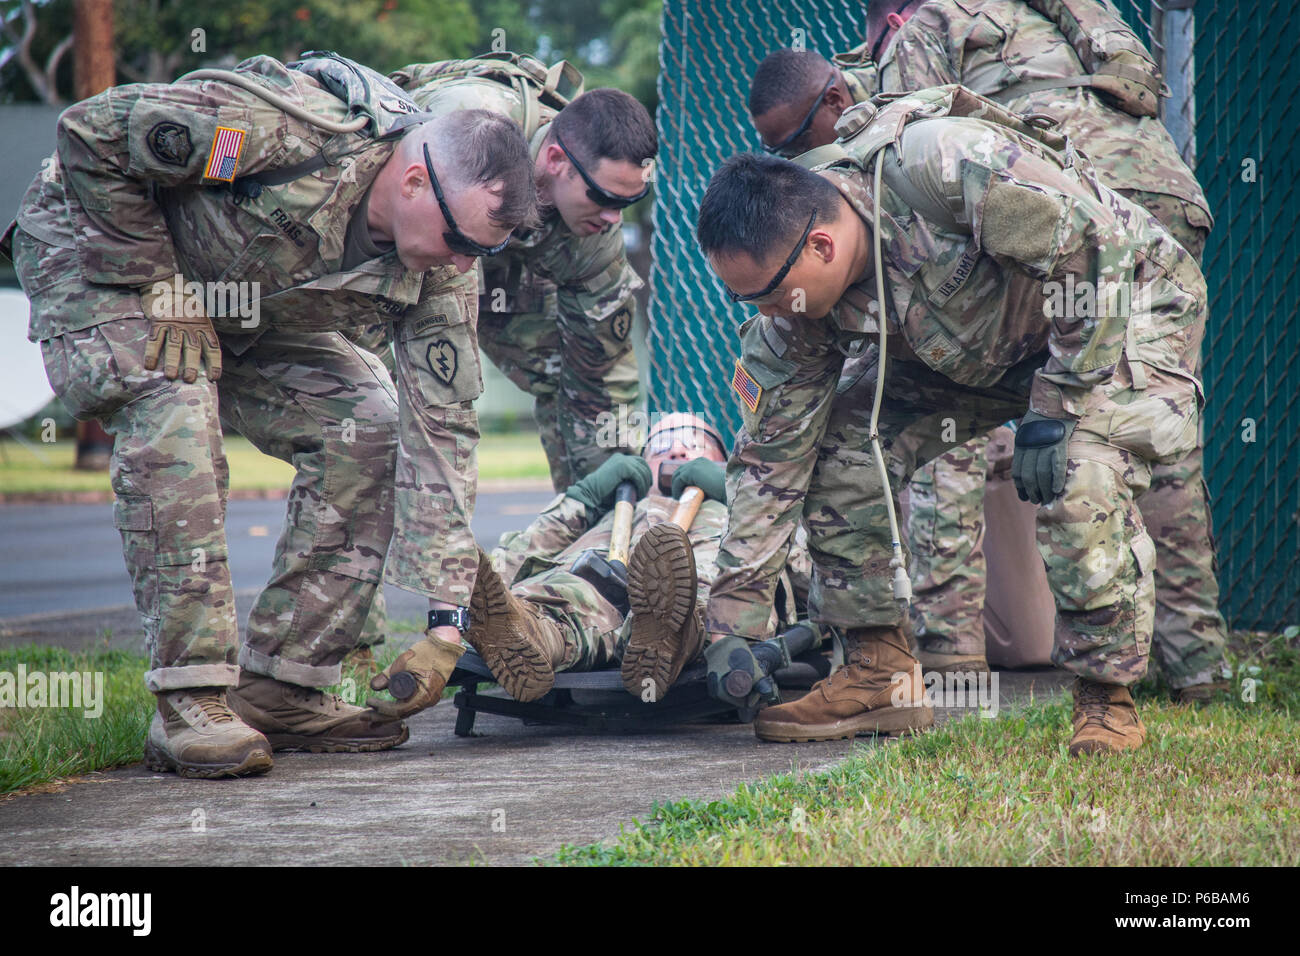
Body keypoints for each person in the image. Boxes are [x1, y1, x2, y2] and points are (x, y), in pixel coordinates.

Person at [3, 53, 536, 778]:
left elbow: (444, 432)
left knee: (369, 422)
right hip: (103, 251)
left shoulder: (440, 270)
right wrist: (158, 286)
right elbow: (93, 134)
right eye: (465, 241)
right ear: (415, 182)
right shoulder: (280, 130)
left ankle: (287, 684)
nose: (469, 265)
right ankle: (190, 702)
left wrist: (446, 623)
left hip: (236, 302)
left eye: (487, 251)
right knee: (176, 403)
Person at [696, 84, 1216, 755]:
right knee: (841, 445)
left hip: (1120, 310)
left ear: (821, 246)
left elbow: (1095, 250)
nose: (769, 314)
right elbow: (771, 460)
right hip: (981, 351)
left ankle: (1103, 696)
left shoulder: (946, 166)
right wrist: (732, 629)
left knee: (1079, 469)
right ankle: (879, 673)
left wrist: (1056, 405)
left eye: (767, 295)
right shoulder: (793, 311)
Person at [350, 54, 656, 492]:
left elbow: (603, 364)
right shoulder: (468, 121)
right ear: (555, 159)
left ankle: (588, 529)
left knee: (567, 372)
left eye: (625, 203)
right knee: (384, 392)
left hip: (506, 265)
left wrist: (620, 484)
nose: (612, 217)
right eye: (604, 196)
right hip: (407, 246)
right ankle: (389, 534)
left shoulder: (595, 227)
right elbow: (380, 210)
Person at [370, 413, 814, 707]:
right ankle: (527, 635)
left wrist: (743, 490)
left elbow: (804, 567)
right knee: (558, 595)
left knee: (699, 590)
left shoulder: (744, 507)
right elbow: (518, 553)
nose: (678, 452)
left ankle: (668, 634)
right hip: (599, 574)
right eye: (663, 445)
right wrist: (581, 499)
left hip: (700, 579)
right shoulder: (609, 509)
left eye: (695, 445)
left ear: (723, 461)